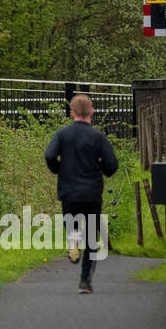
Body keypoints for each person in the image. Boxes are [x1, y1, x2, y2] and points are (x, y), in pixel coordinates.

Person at [44, 93, 118, 293]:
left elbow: (50, 155)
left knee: (72, 225)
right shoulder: (98, 137)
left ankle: (73, 239)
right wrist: (101, 168)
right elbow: (112, 165)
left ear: (72, 112)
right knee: (92, 239)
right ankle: (85, 281)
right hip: (92, 192)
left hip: (69, 190)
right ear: (91, 111)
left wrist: (59, 170)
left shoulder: (62, 135)